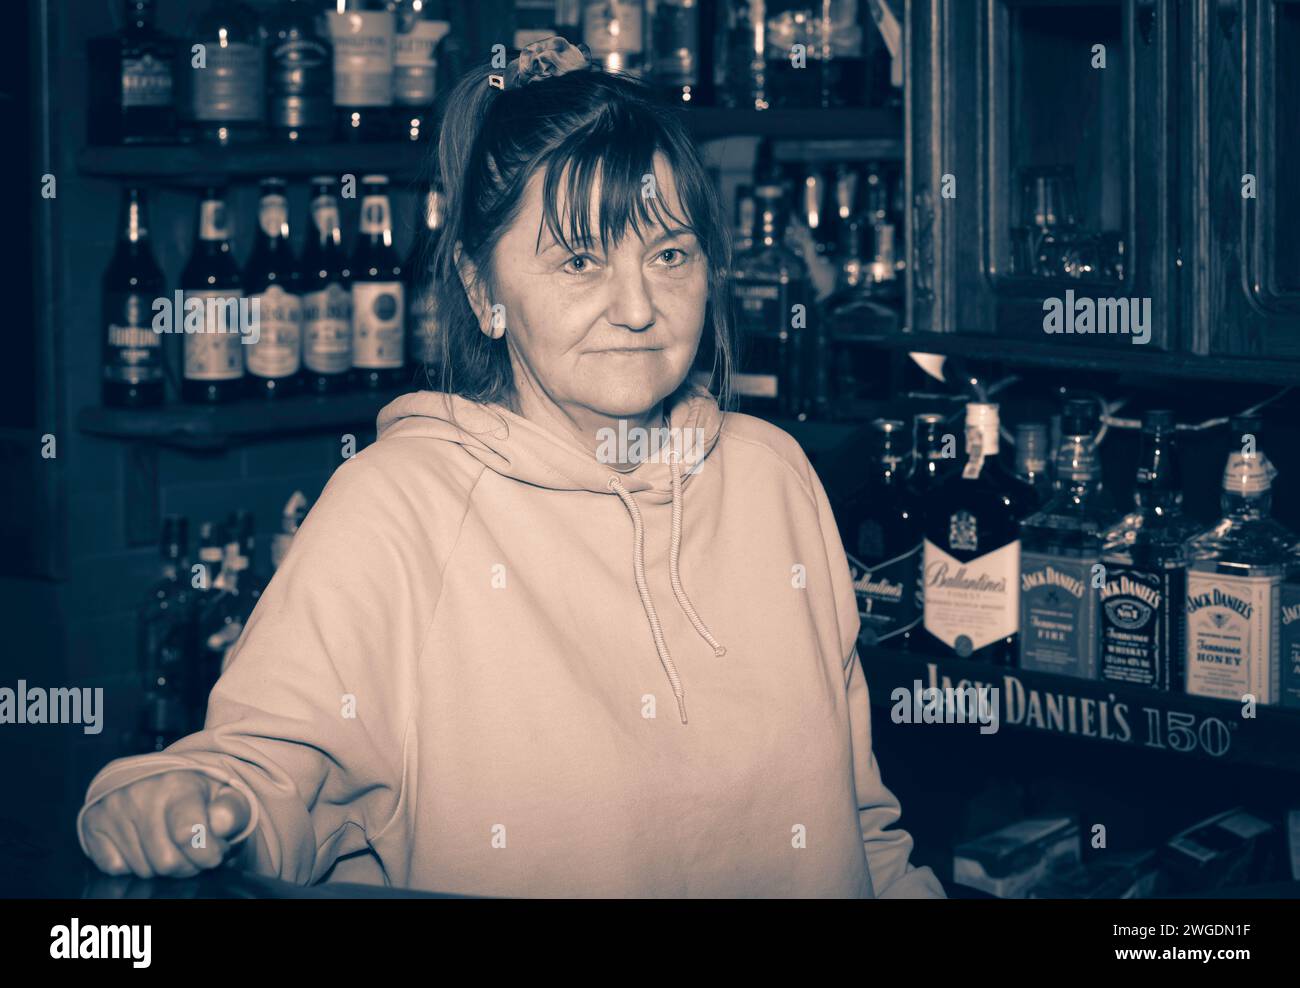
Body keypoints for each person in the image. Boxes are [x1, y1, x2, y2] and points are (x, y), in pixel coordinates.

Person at [77, 37, 944, 899]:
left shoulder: (773, 478)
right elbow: (264, 779)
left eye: (670, 255)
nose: (640, 307)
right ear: (482, 291)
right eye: (579, 260)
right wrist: (177, 800)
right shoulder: (398, 504)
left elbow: (860, 830)